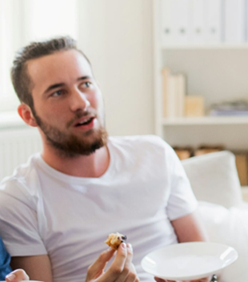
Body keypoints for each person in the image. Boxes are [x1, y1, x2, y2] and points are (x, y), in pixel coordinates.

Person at [0, 36, 207, 282]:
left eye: (85, 83)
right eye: (58, 92)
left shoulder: (155, 154)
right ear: (28, 115)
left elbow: (205, 260)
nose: (81, 102)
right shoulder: (19, 197)